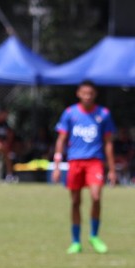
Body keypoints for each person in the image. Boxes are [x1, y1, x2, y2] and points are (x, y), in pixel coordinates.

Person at [52, 80, 116, 254]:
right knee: (75, 202)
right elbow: (61, 139)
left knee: (96, 197)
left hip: (95, 162)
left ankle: (94, 236)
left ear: (95, 95)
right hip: (75, 162)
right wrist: (57, 165)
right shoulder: (70, 113)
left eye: (90, 94)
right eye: (84, 93)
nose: (87, 97)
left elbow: (108, 143)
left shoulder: (103, 114)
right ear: (78, 94)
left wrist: (112, 169)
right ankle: (76, 241)